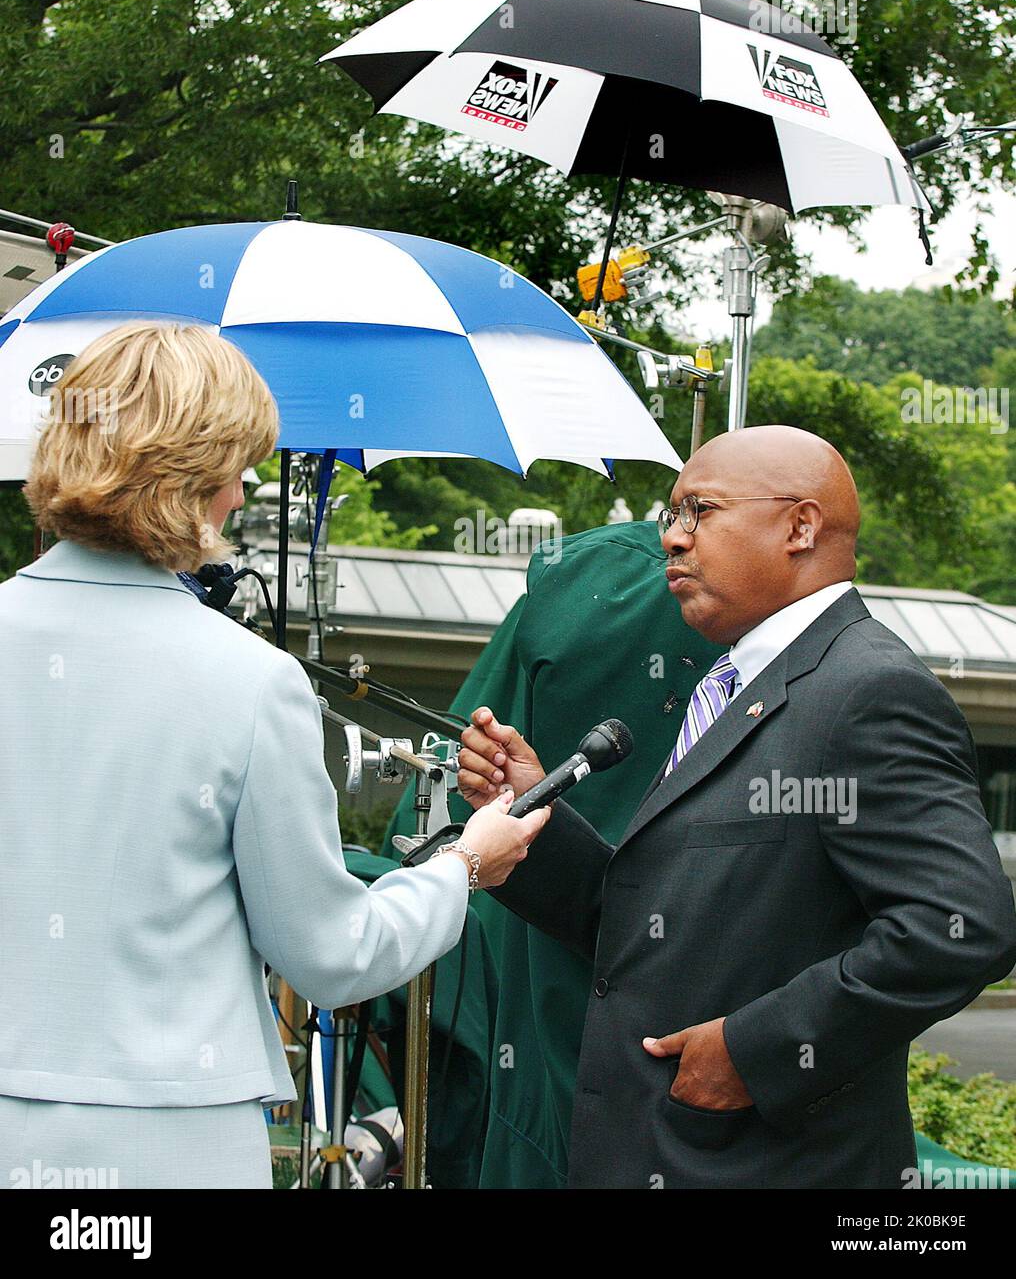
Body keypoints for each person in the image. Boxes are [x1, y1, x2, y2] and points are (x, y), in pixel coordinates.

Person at [0, 322, 548, 1190]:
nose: (248, 484)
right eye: (238, 462)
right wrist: (463, 868)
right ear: (192, 474)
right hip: (169, 1140)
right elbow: (330, 953)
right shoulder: (251, 682)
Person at [457, 425, 1016, 1189]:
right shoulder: (734, 685)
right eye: (670, 515)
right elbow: (651, 926)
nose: (671, 539)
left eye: (699, 512)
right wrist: (533, 814)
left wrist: (757, 1053)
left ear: (801, 527)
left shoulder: (870, 692)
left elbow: (963, 928)